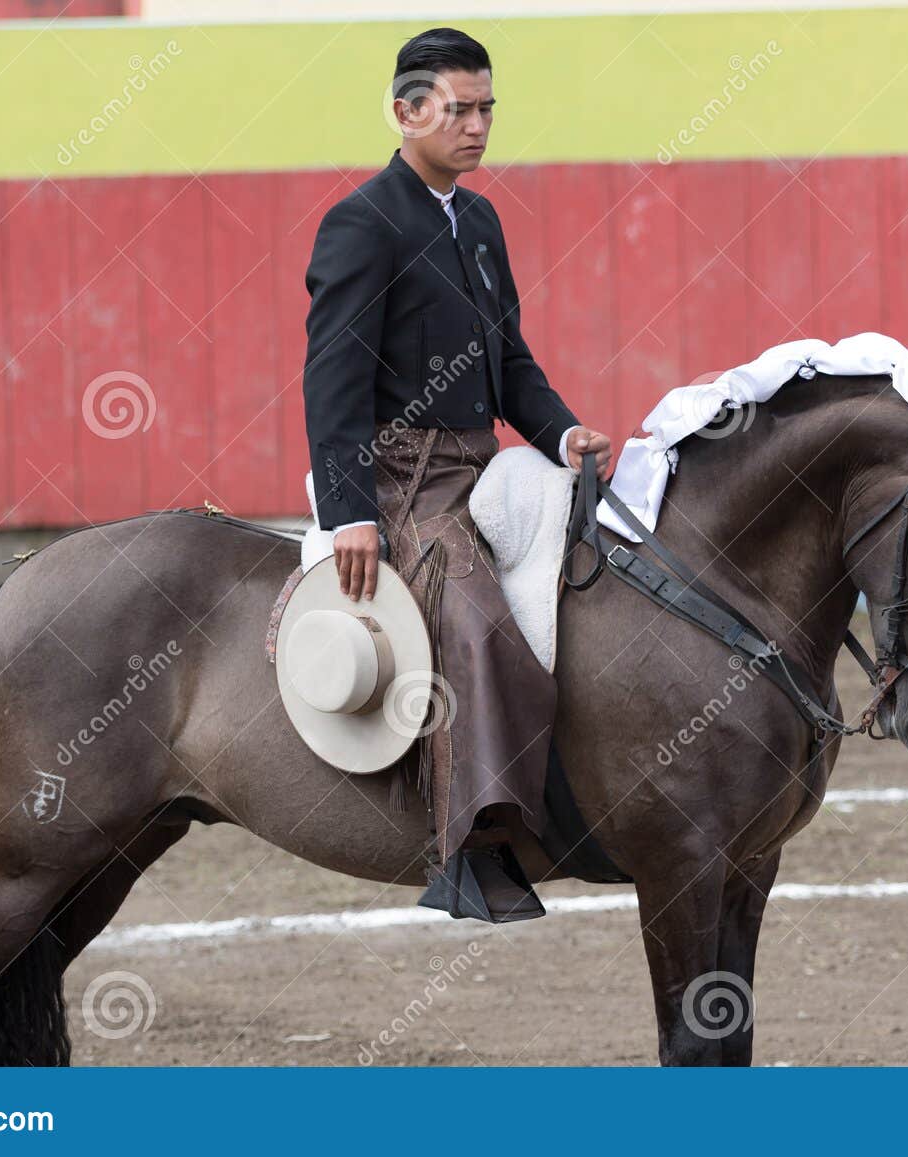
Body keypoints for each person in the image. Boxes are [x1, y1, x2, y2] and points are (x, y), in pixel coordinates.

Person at [302, 26, 613, 922]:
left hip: (485, 465)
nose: (478, 126)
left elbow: (511, 363)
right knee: (476, 622)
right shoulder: (363, 222)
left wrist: (563, 436)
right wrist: (352, 510)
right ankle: (474, 845)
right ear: (407, 113)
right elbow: (334, 383)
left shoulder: (477, 219)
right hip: (399, 476)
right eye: (460, 109)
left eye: (487, 110)